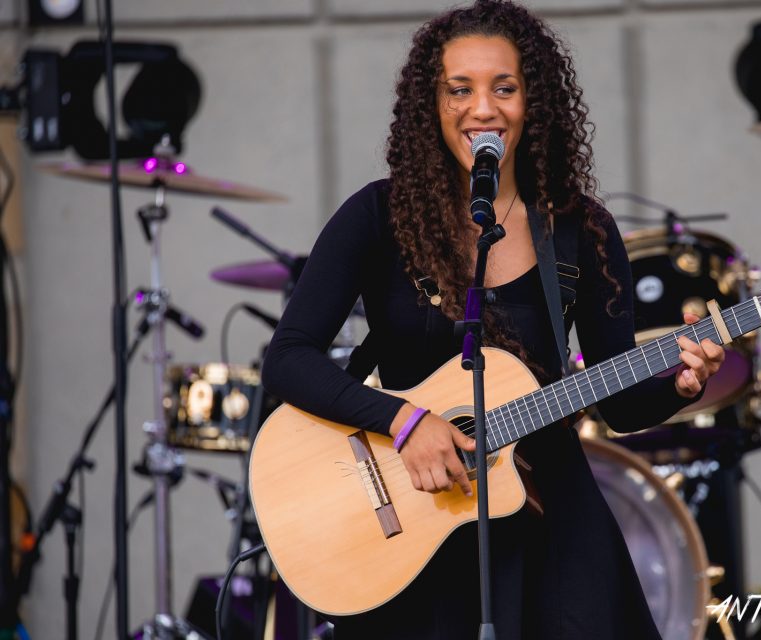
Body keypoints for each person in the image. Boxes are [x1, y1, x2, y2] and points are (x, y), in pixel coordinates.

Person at [261, 1, 724, 638]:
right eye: (461, 90)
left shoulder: (580, 228)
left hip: (549, 518)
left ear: (532, 102)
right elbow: (288, 358)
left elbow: (618, 403)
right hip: (417, 523)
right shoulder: (377, 217)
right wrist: (404, 421)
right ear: (433, 104)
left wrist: (679, 385)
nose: (483, 109)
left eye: (504, 88)